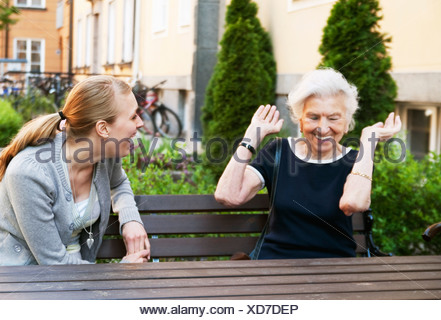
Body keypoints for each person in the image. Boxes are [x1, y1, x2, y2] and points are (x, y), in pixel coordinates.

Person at [215, 68, 401, 259]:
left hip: (336, 270)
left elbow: (352, 203)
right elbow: (228, 195)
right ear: (301, 121)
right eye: (313, 117)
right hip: (274, 265)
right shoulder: (278, 151)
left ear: (346, 124)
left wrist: (369, 140)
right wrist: (251, 136)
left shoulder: (356, 160)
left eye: (333, 118)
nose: (322, 127)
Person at [0, 75, 150, 265]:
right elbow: (54, 263)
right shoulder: (30, 173)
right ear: (103, 129)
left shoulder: (106, 156)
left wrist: (130, 220)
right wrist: (119, 272)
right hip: (24, 280)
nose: (140, 123)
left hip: (79, 277)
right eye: (133, 116)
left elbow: (119, 183)